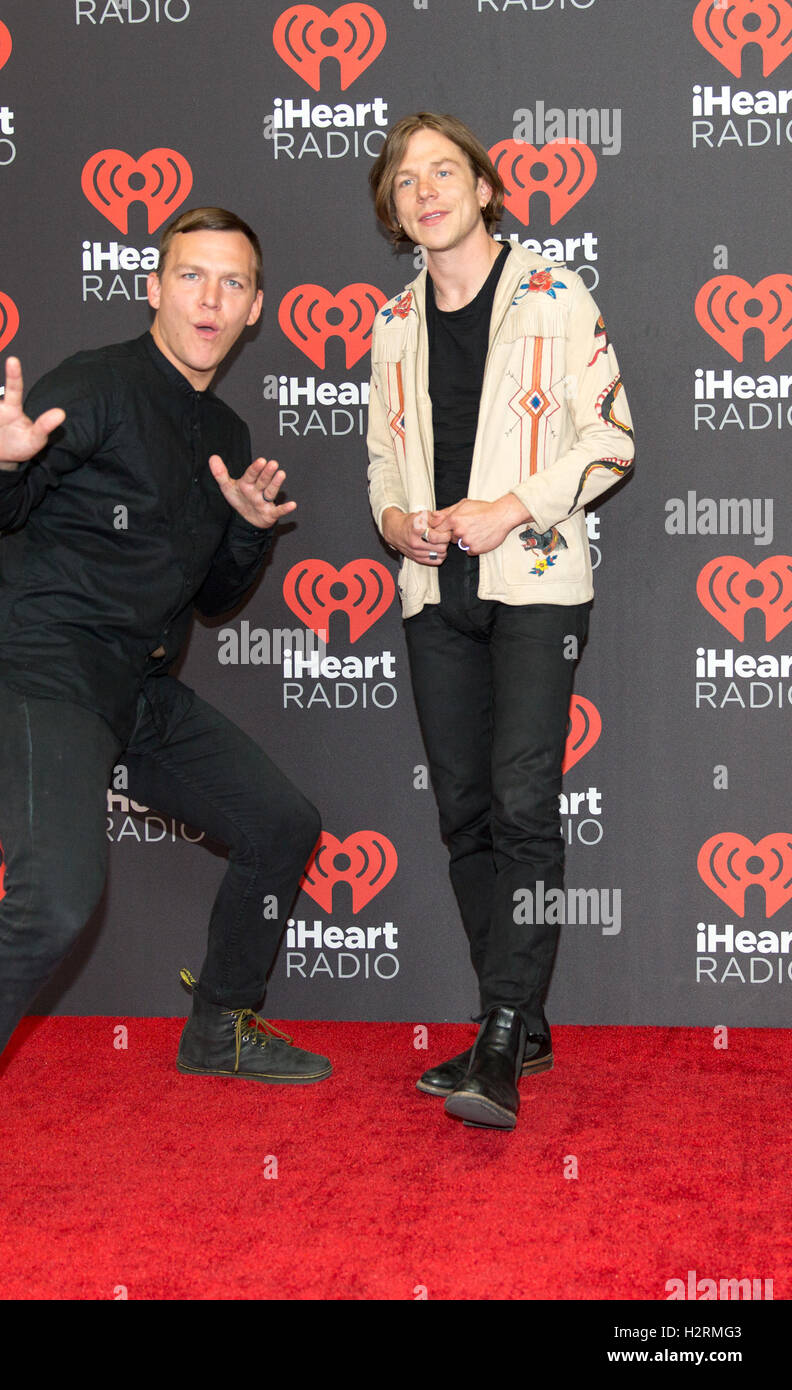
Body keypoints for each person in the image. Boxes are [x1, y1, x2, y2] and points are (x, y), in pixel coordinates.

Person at [0, 206, 330, 1242]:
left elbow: (208, 596)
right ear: (152, 288)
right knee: (60, 895)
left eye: (232, 283)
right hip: (37, 671)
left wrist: (247, 537)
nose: (210, 297)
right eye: (191, 276)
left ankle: (218, 1026)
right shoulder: (97, 380)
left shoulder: (228, 435)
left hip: (138, 688)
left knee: (282, 823)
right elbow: (1, 498)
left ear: (253, 311)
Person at [365, 114, 634, 1130]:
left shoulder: (555, 296)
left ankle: (499, 1030)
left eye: (443, 172)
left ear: (483, 187)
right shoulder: (392, 323)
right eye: (403, 182)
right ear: (393, 214)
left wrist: (509, 506)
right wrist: (396, 520)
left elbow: (610, 440)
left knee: (523, 808)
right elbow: (382, 462)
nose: (424, 191)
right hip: (432, 591)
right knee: (464, 813)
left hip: (532, 581)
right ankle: (514, 1020)